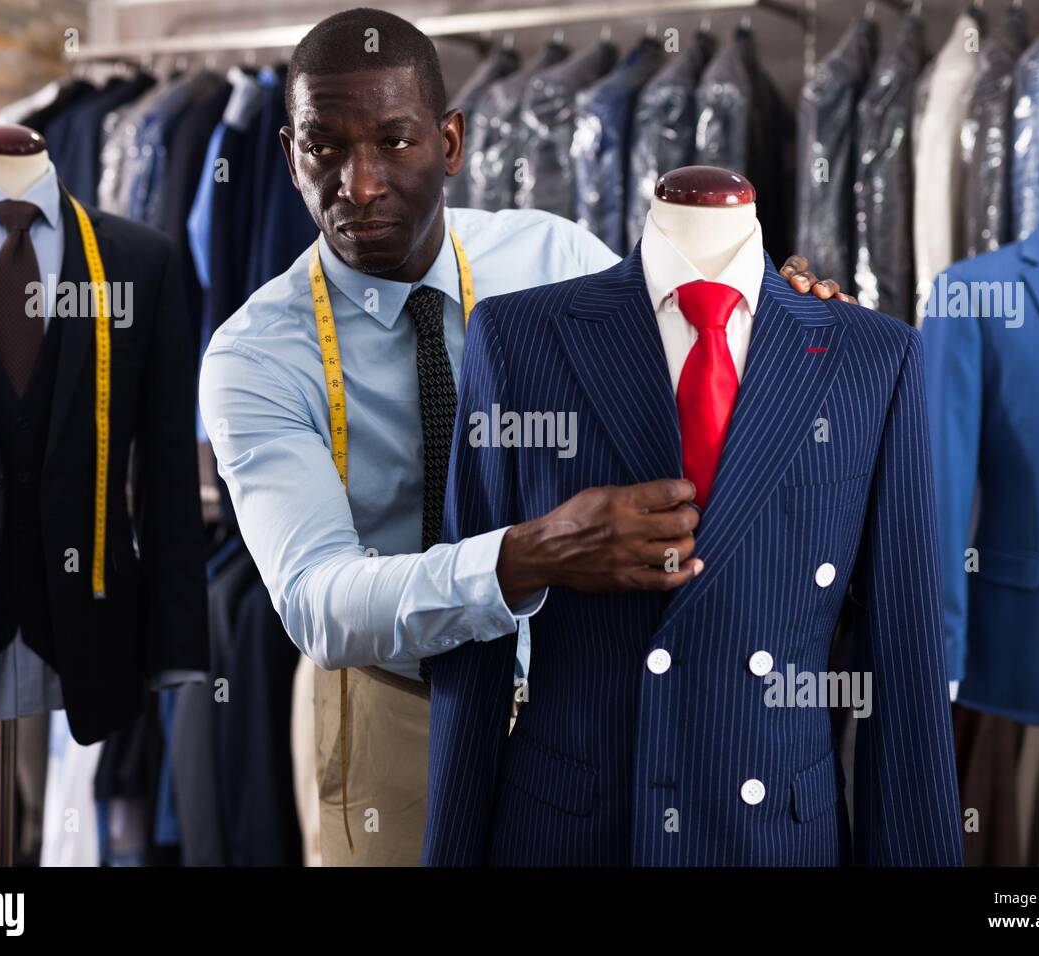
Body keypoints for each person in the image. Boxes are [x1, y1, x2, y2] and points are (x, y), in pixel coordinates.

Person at [199, 7, 853, 866]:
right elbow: (319, 603)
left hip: (577, 705)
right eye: (325, 147)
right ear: (289, 154)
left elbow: (680, 378)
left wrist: (772, 326)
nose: (357, 183)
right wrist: (528, 556)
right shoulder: (255, 354)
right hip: (399, 711)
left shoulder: (555, 257)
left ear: (453, 141)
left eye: (393, 141)